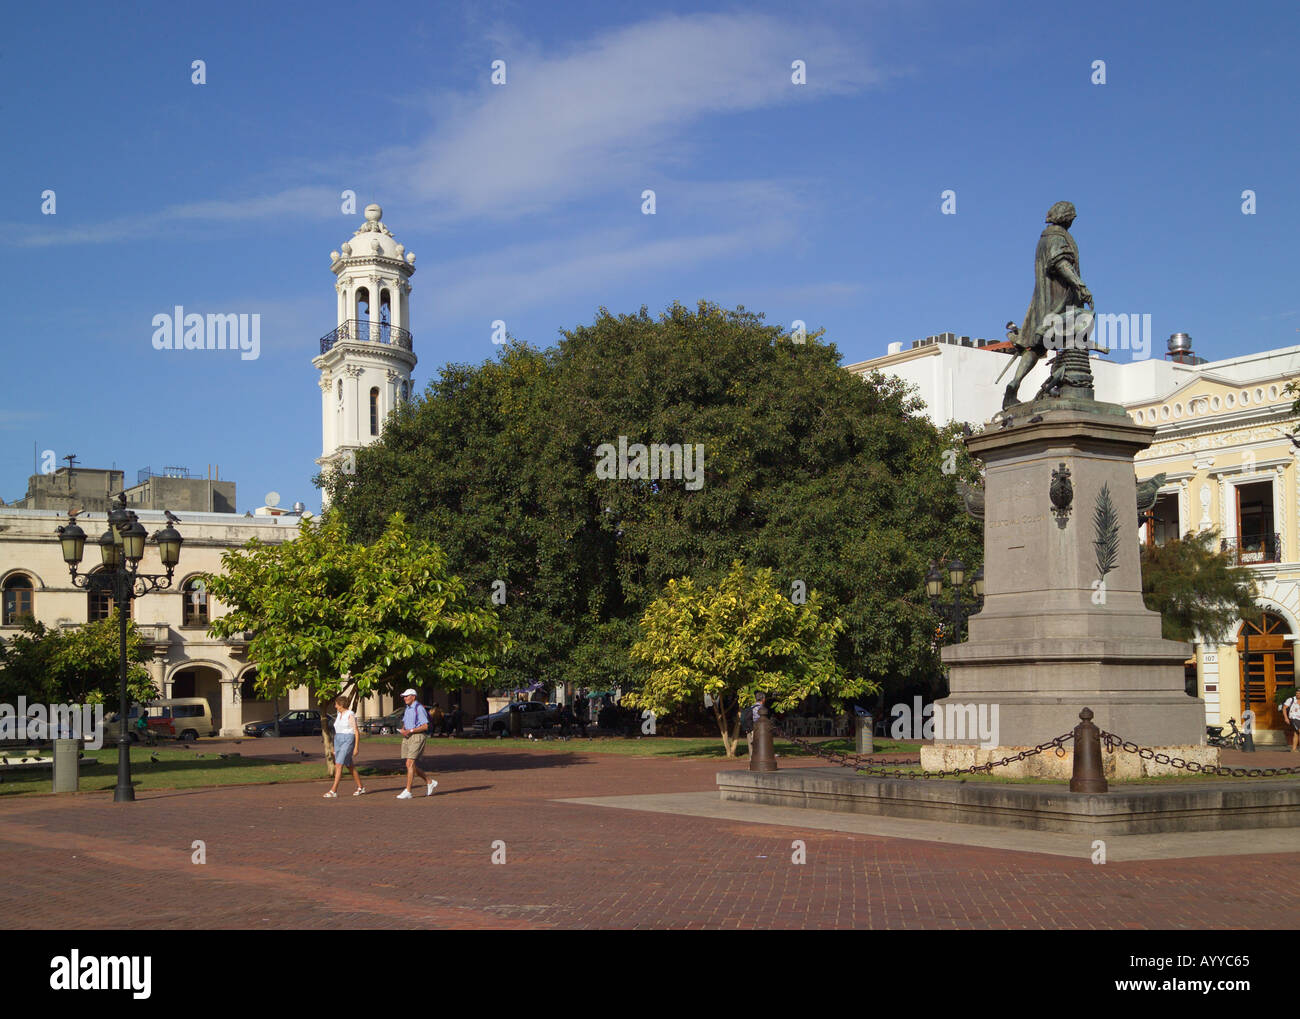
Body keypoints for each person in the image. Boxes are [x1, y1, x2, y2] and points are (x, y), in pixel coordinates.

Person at [397, 688, 437, 798]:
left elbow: (425, 726)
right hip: (408, 737)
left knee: (410, 763)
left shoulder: (419, 708)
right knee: (409, 764)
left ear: (413, 697)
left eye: (407, 696)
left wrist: (410, 730)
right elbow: (405, 722)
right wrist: (404, 730)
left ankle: (408, 791)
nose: (404, 698)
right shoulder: (407, 708)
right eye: (404, 696)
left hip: (417, 736)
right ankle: (429, 781)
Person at [324, 695, 366, 798]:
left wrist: (356, 747)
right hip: (338, 739)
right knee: (349, 765)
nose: (335, 706)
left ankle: (333, 790)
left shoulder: (350, 714)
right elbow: (336, 731)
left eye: (336, 704)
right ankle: (361, 787)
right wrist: (334, 745)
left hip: (348, 739)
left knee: (338, 765)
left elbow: (356, 731)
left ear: (341, 704)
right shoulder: (339, 714)